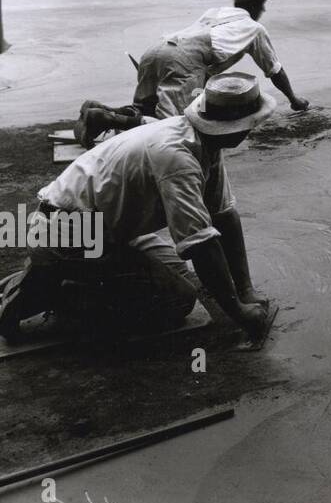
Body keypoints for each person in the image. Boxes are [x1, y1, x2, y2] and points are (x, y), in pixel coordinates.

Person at [0, 73, 279, 346]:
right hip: (68, 231)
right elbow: (201, 244)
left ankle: (49, 272)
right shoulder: (177, 157)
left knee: (180, 275)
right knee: (178, 299)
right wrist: (239, 312)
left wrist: (245, 291)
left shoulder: (200, 141)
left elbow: (224, 215)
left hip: (94, 226)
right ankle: (43, 293)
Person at [76, 0, 309, 146]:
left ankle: (98, 108)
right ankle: (104, 119)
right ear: (256, 7)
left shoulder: (215, 12)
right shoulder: (254, 29)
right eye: (263, 6)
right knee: (171, 127)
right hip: (183, 60)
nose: (264, 11)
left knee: (147, 108)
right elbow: (274, 70)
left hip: (157, 50)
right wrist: (294, 99)